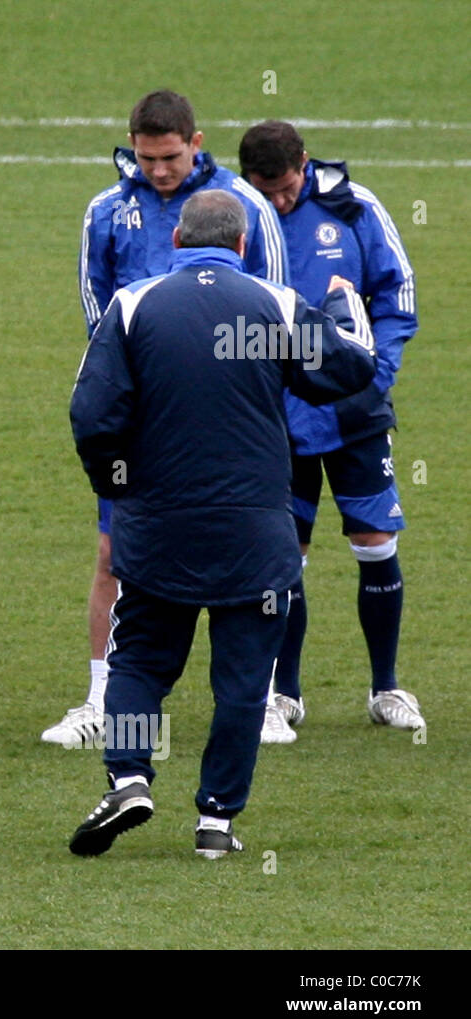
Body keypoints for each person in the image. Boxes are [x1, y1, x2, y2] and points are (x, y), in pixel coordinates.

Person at [67, 191, 376, 857]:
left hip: (159, 524)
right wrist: (346, 306)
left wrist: (120, 486)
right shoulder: (276, 305)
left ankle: (128, 775)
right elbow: (350, 369)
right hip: (257, 529)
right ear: (242, 244)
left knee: (142, 659)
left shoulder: (134, 305)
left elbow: (91, 415)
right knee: (243, 678)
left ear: (177, 239)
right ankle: (216, 822)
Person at [43, 88, 289, 749]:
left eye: (171, 157)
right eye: (147, 158)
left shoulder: (246, 207)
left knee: (255, 549)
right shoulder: (105, 211)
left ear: (197, 142)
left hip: (236, 415)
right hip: (146, 419)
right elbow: (101, 326)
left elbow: (278, 311)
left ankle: (261, 699)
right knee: (113, 550)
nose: (158, 170)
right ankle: (101, 698)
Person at [239, 120, 422, 742]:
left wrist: (376, 377)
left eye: (288, 189)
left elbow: (398, 294)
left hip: (354, 411)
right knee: (284, 555)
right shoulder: (243, 216)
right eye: (268, 192)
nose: (280, 202)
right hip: (276, 416)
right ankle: (284, 693)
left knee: (375, 541)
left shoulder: (355, 207)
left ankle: (386, 687)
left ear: (305, 164)